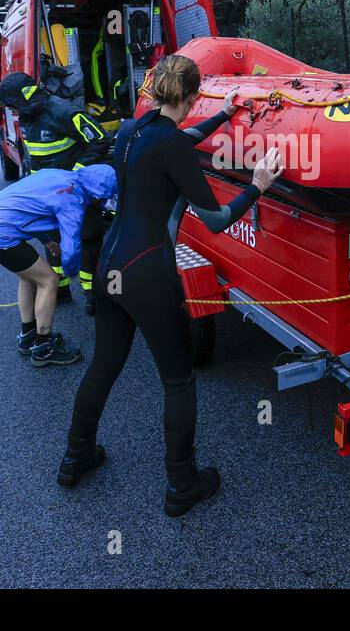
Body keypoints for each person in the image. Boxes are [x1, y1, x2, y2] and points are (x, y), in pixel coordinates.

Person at [57, 54, 284, 517]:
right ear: (189, 96)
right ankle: (183, 484)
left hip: (109, 268)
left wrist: (225, 114)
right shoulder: (171, 146)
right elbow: (218, 220)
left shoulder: (130, 130)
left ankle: (75, 458)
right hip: (148, 275)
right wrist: (258, 184)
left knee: (103, 367)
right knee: (178, 381)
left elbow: (177, 142)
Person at [0, 162, 118, 367]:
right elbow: (72, 245)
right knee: (49, 280)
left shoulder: (58, 175)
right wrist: (70, 270)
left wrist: (46, 239)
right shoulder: (72, 199)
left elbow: (32, 203)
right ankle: (44, 347)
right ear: (98, 195)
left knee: (27, 277)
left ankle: (28, 334)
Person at [0, 69, 111, 312]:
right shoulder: (27, 116)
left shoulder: (64, 112)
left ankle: (94, 296)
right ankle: (60, 289)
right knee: (53, 241)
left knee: (87, 239)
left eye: (13, 106)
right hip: (47, 197)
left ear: (26, 98)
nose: (11, 112)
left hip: (76, 193)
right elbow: (35, 157)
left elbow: (99, 138)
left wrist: (75, 177)